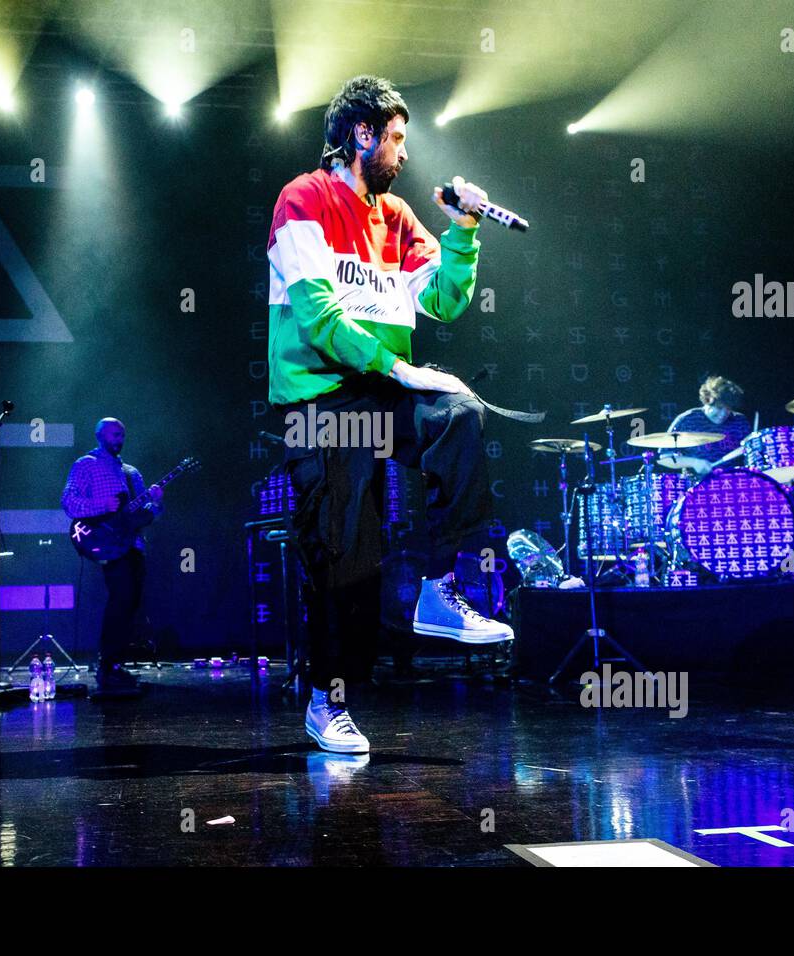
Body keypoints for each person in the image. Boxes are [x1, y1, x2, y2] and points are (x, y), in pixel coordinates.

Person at [267, 75, 511, 755]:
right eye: (396, 137)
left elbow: (444, 300)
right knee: (348, 558)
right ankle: (326, 701)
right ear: (361, 134)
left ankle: (437, 587)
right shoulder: (303, 201)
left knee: (459, 412)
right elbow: (319, 318)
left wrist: (464, 230)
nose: (404, 153)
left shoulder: (398, 217)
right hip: (321, 399)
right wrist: (402, 368)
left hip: (378, 389)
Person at [61, 417, 163, 697]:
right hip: (106, 545)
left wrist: (156, 501)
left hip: (132, 545)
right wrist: (101, 505)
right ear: (100, 436)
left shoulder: (132, 472)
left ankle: (114, 664)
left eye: (123, 434)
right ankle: (107, 665)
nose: (120, 438)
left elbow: (141, 516)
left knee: (130, 603)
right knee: (120, 600)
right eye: (115, 434)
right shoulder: (86, 465)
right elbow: (68, 501)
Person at [661, 375, 752, 475]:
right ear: (707, 400)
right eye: (719, 408)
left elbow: (751, 454)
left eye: (728, 409)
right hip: (699, 484)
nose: (723, 414)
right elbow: (665, 457)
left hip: (736, 483)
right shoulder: (686, 420)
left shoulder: (740, 421)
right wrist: (694, 463)